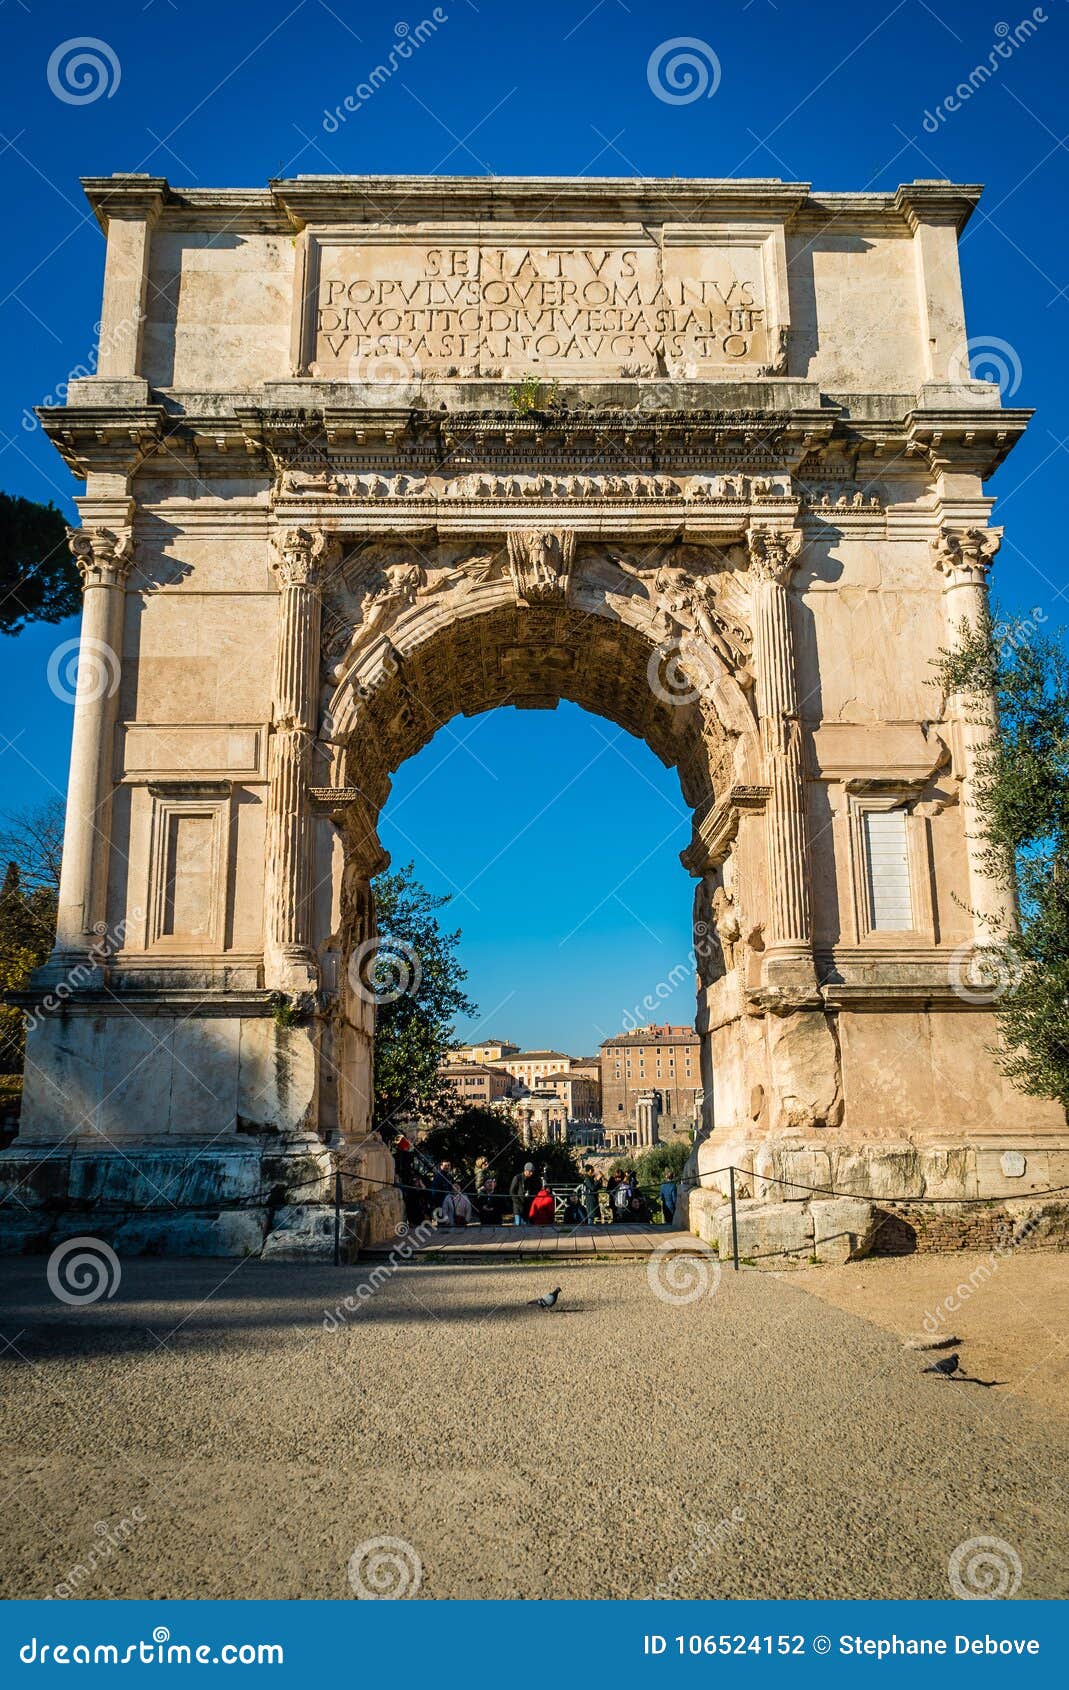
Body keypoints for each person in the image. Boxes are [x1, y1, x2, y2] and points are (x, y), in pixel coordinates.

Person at [430, 1159, 475, 1228]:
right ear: (441, 1166)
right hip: (441, 1203)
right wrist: (437, 1203)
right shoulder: (438, 1177)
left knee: (451, 1222)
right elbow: (434, 1192)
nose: (447, 1167)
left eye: (449, 1165)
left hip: (450, 1203)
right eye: (445, 1165)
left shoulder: (449, 1176)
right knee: (443, 1224)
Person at [509, 1161, 539, 1226]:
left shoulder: (531, 1179)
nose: (531, 1173)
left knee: (526, 1226)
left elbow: (534, 1190)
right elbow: (512, 1192)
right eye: (530, 1171)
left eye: (532, 1171)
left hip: (527, 1207)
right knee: (518, 1224)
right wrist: (518, 1202)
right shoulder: (517, 1178)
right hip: (518, 1206)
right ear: (525, 1170)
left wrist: (531, 1198)